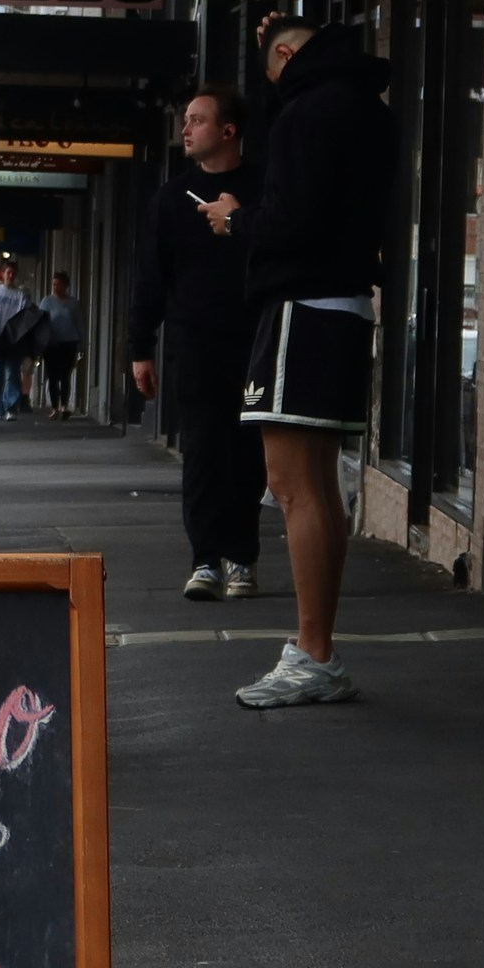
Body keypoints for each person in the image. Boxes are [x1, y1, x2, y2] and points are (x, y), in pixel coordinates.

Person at [224, 13, 397, 710]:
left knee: (292, 484)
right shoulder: (367, 111)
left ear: (287, 57)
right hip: (346, 302)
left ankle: (314, 654)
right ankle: (315, 649)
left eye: (271, 71)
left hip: (301, 306)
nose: (270, 89)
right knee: (318, 485)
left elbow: (290, 219)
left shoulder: (306, 114)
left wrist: (236, 218)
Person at [129, 88, 265, 602]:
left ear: (228, 131)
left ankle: (243, 558)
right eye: (185, 119)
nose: (185, 129)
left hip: (256, 343)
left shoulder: (262, 190)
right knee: (203, 451)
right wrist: (139, 347)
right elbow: (150, 278)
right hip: (195, 345)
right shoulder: (169, 198)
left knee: (249, 454)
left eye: (197, 120)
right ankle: (205, 559)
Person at [0, 262, 30, 414]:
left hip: (12, 339)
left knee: (13, 373)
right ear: (2, 274)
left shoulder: (20, 295)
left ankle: (11, 407)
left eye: (13, 273)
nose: (10, 276)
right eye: (8, 272)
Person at [38, 273, 85, 415]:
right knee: (52, 375)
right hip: (51, 344)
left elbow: (79, 324)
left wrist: (82, 344)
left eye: (58, 284)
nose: (55, 287)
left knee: (65, 375)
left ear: (65, 286)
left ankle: (64, 405)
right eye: (53, 284)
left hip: (69, 342)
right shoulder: (47, 301)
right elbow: (41, 322)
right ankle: (54, 407)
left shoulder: (73, 303)